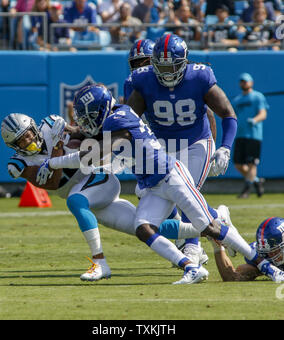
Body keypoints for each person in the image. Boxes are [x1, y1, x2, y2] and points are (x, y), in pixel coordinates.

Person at [46, 83, 284, 284]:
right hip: (153, 185)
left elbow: (94, 154)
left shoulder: (118, 120)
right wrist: (69, 129)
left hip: (171, 176)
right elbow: (93, 138)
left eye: (88, 116)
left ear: (100, 111)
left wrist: (54, 163)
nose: (85, 122)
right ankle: (191, 267)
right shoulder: (116, 116)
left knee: (209, 226)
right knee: (144, 228)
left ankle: (265, 266)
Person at [1, 113, 205, 280]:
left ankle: (99, 262)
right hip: (90, 195)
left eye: (28, 135)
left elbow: (88, 138)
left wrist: (73, 133)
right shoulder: (17, 164)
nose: (28, 141)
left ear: (34, 129)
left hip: (97, 176)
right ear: (14, 146)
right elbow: (53, 183)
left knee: (75, 200)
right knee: (145, 230)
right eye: (21, 141)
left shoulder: (50, 126)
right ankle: (210, 233)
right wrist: (56, 148)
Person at [126, 33, 233, 267]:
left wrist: (221, 147)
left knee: (186, 193)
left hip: (196, 142)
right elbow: (129, 121)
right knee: (161, 199)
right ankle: (219, 219)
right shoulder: (141, 81)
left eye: (171, 66)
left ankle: (193, 248)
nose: (166, 72)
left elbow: (222, 113)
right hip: (163, 147)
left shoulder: (199, 76)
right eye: (159, 67)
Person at [209, 217, 284, 282]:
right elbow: (231, 277)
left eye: (275, 251)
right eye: (268, 252)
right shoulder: (261, 253)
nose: (271, 256)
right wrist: (217, 247)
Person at [232, 73, 268, 199]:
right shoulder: (236, 100)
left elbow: (263, 114)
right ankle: (257, 181)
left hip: (253, 135)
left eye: (246, 81)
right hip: (240, 135)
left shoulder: (258, 97)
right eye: (242, 81)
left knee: (252, 163)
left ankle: (246, 189)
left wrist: (254, 120)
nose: (244, 83)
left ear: (251, 83)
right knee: (238, 164)